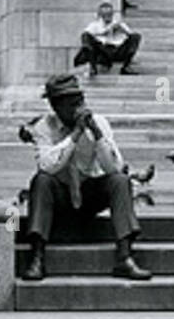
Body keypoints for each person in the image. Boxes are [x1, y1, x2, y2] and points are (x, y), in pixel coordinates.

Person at [21, 73, 150, 282]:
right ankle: (37, 257)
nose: (77, 108)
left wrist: (96, 135)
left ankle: (125, 257)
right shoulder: (43, 127)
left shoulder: (98, 123)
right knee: (41, 181)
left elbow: (114, 167)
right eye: (70, 104)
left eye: (79, 101)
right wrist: (74, 136)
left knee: (120, 181)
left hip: (90, 193)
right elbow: (48, 165)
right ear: (55, 106)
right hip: (60, 196)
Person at [73, 1, 141, 76]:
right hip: (102, 50)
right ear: (100, 15)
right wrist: (105, 31)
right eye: (104, 14)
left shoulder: (118, 23)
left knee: (136, 36)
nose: (107, 16)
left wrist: (123, 30)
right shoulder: (95, 25)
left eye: (109, 14)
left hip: (116, 49)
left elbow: (131, 34)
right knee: (86, 37)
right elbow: (86, 35)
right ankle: (92, 67)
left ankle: (126, 67)